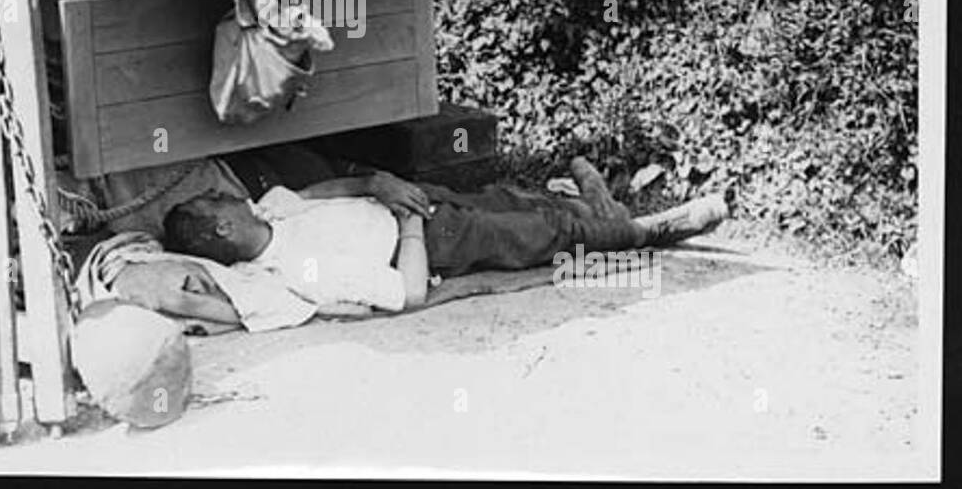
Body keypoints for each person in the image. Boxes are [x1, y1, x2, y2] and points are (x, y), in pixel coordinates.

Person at [162, 156, 727, 314]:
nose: (225, 192)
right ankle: (651, 229)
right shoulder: (301, 269)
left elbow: (328, 191)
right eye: (215, 198)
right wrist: (410, 223)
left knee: (511, 199)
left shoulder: (271, 208)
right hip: (433, 242)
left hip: (420, 204)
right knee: (546, 232)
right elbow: (405, 294)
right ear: (221, 226)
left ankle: (598, 204)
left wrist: (378, 181)